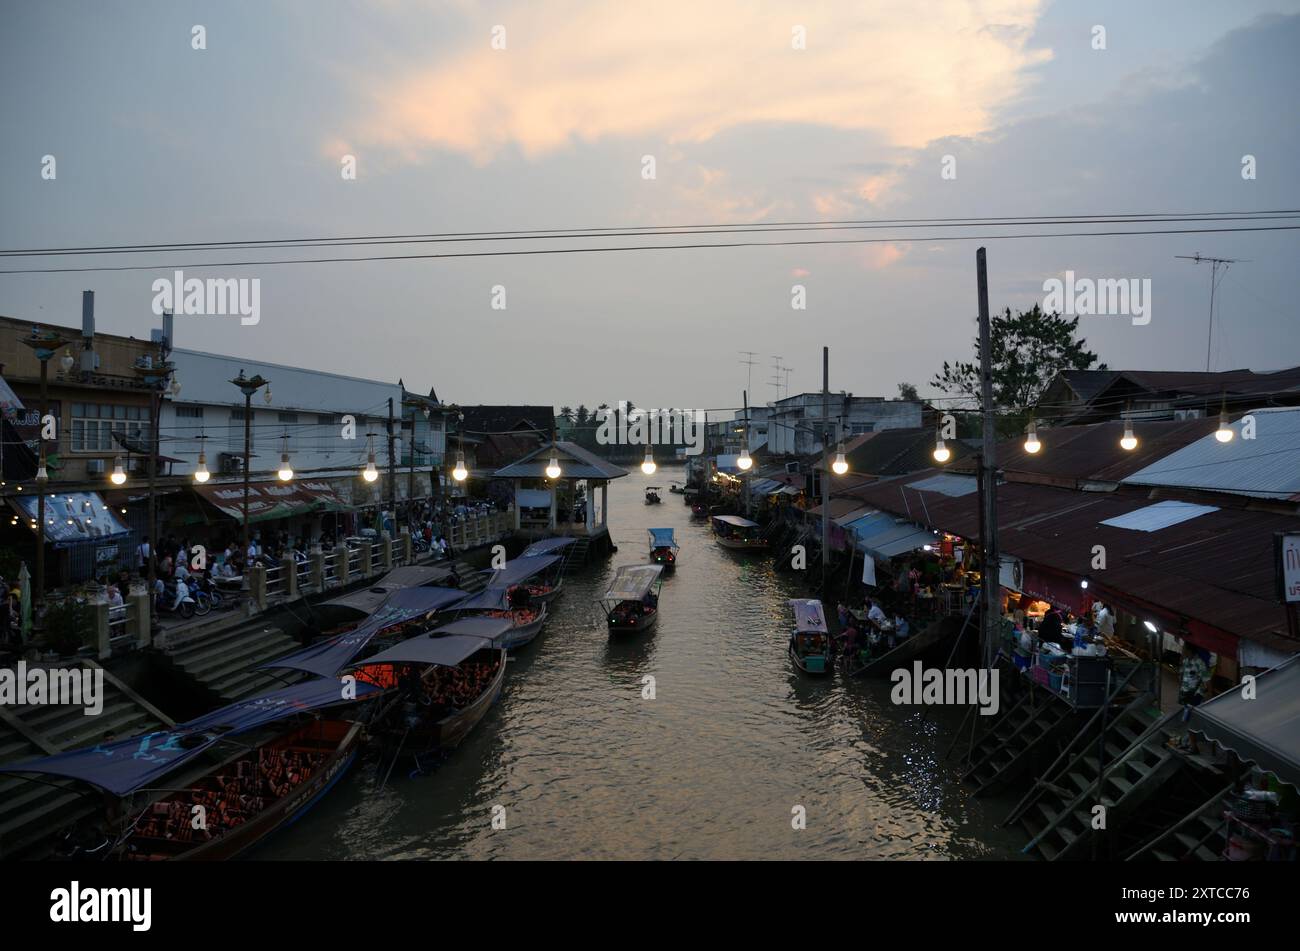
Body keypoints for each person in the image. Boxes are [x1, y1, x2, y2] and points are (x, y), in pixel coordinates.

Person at [1177, 643, 1210, 753]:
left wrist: (1198, 694)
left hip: (1195, 697)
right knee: (1187, 720)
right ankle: (1188, 743)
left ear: (1189, 650)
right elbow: (1182, 677)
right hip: (1185, 695)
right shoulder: (1186, 662)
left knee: (1189, 720)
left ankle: (1193, 747)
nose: (1183, 651)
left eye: (1184, 649)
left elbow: (1206, 683)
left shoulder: (1200, 663)